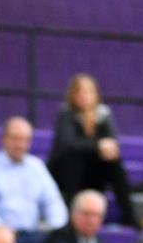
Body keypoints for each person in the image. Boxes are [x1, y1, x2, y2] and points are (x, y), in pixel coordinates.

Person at [0, 116, 67, 243]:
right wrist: (2, 232)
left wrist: (55, 228)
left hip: (33, 235)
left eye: (25, 140)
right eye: (16, 138)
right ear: (3, 139)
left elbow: (54, 202)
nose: (20, 144)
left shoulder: (37, 167)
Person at [47, 74, 134, 224]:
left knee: (114, 161)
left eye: (88, 91)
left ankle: (129, 217)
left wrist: (106, 149)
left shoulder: (104, 114)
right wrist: (97, 146)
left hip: (93, 175)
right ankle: (70, 217)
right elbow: (68, 144)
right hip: (67, 174)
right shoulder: (66, 115)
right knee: (73, 159)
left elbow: (111, 144)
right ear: (73, 95)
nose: (84, 96)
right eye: (80, 92)